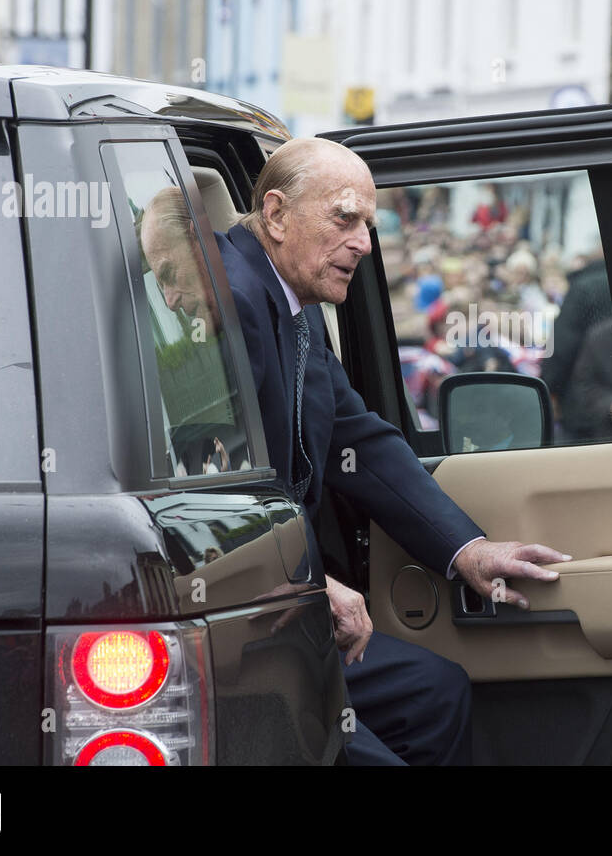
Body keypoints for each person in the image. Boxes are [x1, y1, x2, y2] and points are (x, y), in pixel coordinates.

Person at [214, 137, 570, 765]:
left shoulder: (292, 305)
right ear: (275, 214)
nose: (363, 243)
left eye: (369, 225)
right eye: (344, 219)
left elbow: (360, 439)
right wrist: (311, 586)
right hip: (237, 635)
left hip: (290, 618)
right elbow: (208, 491)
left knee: (436, 694)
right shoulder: (231, 297)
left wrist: (468, 550)